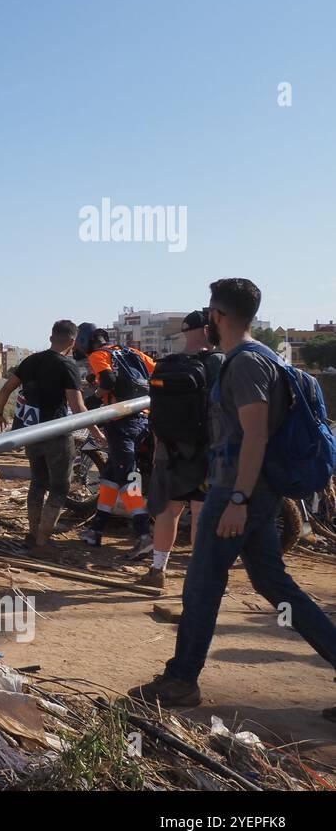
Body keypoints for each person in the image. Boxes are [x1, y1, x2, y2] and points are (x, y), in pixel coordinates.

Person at [129, 279, 336, 718]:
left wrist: (238, 499)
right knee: (274, 585)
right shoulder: (264, 357)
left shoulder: (244, 364)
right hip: (251, 492)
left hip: (240, 492)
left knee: (202, 584)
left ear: (217, 316)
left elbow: (255, 435)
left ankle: (182, 680)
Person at [0, 320, 105, 552]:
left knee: (38, 482)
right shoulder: (68, 365)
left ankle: (33, 535)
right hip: (56, 433)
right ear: (73, 342)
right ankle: (43, 541)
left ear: (51, 337)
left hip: (31, 433)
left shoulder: (31, 361)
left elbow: (6, 389)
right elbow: (78, 407)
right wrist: (98, 434)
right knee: (60, 487)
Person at [138, 311, 224, 588]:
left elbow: (155, 414)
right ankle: (197, 576)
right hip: (206, 450)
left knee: (168, 510)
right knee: (201, 512)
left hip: (170, 448)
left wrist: (157, 448)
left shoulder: (164, 366)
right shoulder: (219, 362)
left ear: (186, 332)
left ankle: (157, 570)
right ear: (208, 330)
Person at [80, 327, 157, 552]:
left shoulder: (99, 355)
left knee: (127, 477)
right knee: (110, 476)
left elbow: (108, 381)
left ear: (85, 342)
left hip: (120, 422)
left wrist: (94, 398)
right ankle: (96, 530)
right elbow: (157, 372)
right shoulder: (132, 352)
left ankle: (144, 535)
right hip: (143, 419)